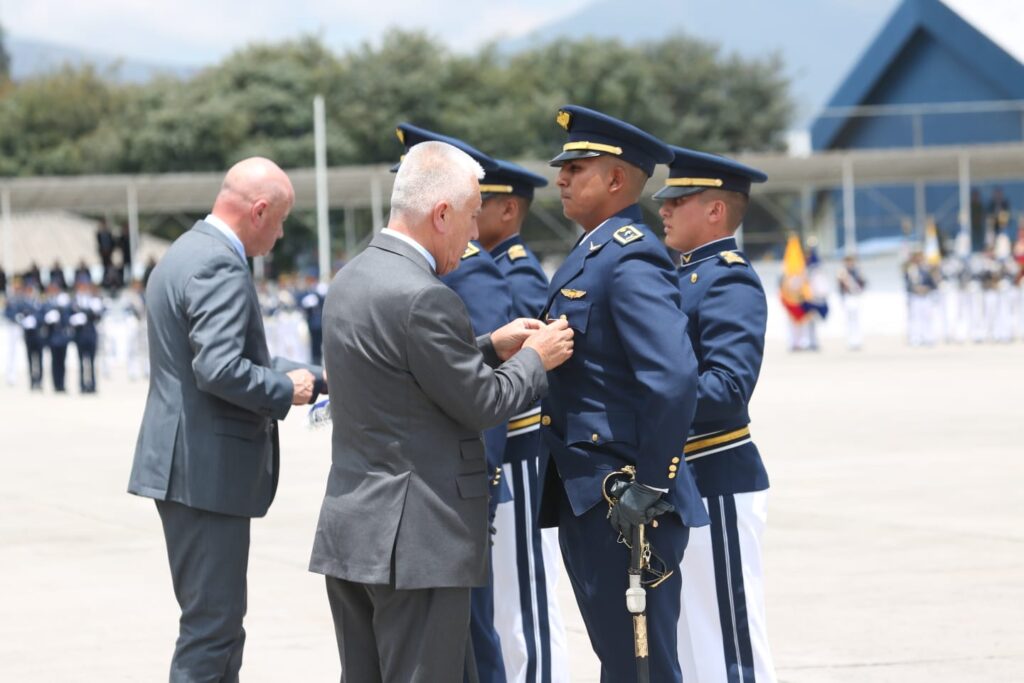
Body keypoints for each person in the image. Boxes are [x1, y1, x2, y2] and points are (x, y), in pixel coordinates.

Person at [307, 140, 574, 683]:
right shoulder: (426, 296)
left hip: (357, 531)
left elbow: (396, 375)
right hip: (416, 540)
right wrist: (534, 360)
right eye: (472, 217)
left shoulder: (354, 277)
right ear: (442, 213)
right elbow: (482, 403)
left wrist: (485, 346)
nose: (475, 234)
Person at [127, 157, 323, 682]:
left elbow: (219, 357)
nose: (280, 235)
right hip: (204, 473)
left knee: (214, 626)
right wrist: (285, 389)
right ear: (258, 211)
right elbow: (217, 368)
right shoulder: (219, 263)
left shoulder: (185, 251)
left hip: (185, 465)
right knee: (212, 630)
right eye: (279, 222)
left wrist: (312, 375)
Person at [537, 105, 708, 682]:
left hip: (628, 504)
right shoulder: (594, 252)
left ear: (615, 179)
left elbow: (673, 376)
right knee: (620, 659)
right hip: (590, 495)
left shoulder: (628, 254)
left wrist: (653, 483)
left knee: (644, 666)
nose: (560, 177)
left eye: (576, 166)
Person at [392, 122, 514, 683]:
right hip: (424, 488)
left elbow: (484, 373)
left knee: (472, 634)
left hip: (462, 485)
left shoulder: (470, 266)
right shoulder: (407, 266)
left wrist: (481, 480)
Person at [654, 146, 777, 683]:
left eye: (678, 199)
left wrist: (647, 400)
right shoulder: (682, 276)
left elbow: (728, 389)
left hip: (717, 476)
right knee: (693, 645)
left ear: (715, 212)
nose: (663, 208)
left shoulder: (728, 278)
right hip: (686, 482)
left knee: (730, 645)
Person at [479, 158, 570, 683]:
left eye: (480, 203)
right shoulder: (490, 266)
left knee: (524, 603)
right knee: (504, 606)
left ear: (508, 209)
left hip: (517, 452)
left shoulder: (514, 272)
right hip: (502, 448)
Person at [70, 281, 104, 393]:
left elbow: (98, 316)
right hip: (80, 335)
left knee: (92, 362)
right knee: (81, 362)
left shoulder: (93, 301)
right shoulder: (75, 301)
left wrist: (93, 311)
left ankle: (93, 385)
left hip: (91, 335)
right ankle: (82, 385)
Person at [41, 282, 73, 393]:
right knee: (54, 362)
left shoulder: (63, 303)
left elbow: (68, 319)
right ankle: (56, 384)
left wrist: (62, 309)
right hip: (52, 337)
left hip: (62, 337)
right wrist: (47, 319)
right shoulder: (46, 303)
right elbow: (41, 317)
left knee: (62, 362)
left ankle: (62, 384)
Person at [836, 253, 867, 350]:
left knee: (856, 320)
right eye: (848, 261)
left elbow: (863, 283)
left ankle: (857, 340)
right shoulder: (842, 272)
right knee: (849, 320)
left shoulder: (857, 271)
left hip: (856, 296)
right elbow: (840, 287)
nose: (850, 263)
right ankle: (851, 341)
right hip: (847, 297)